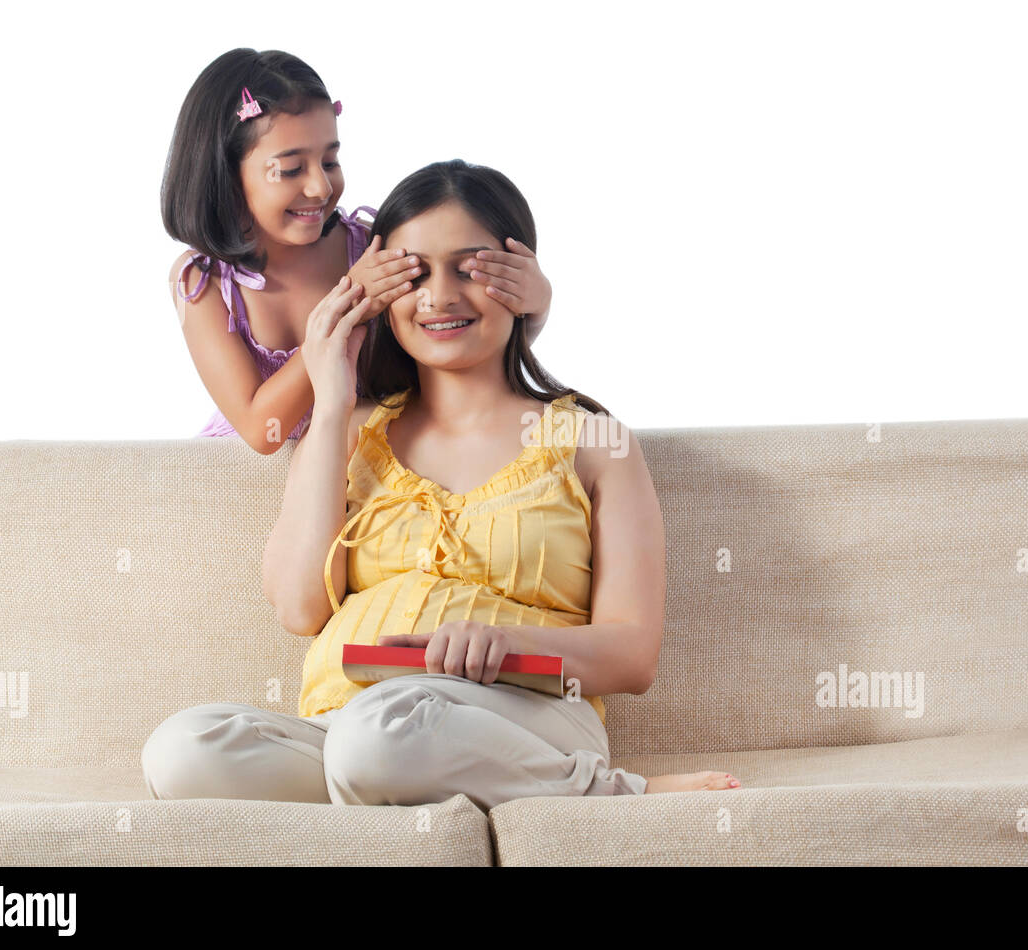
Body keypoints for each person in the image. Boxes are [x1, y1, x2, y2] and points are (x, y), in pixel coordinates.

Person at [142, 160, 741, 810]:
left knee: (379, 741)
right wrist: (332, 395)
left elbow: (633, 655)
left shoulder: (595, 441)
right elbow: (297, 608)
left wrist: (507, 643)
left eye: (470, 268)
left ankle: (614, 791)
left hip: (516, 716)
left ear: (520, 280)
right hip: (351, 722)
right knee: (183, 751)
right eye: (414, 272)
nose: (439, 296)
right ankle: (382, 793)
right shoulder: (351, 430)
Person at [160, 49, 555, 453]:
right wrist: (349, 304)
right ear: (226, 174)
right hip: (245, 480)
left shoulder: (369, 248)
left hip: (367, 469)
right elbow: (265, 431)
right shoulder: (202, 282)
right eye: (293, 169)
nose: (320, 187)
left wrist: (535, 308)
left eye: (330, 161)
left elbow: (459, 345)